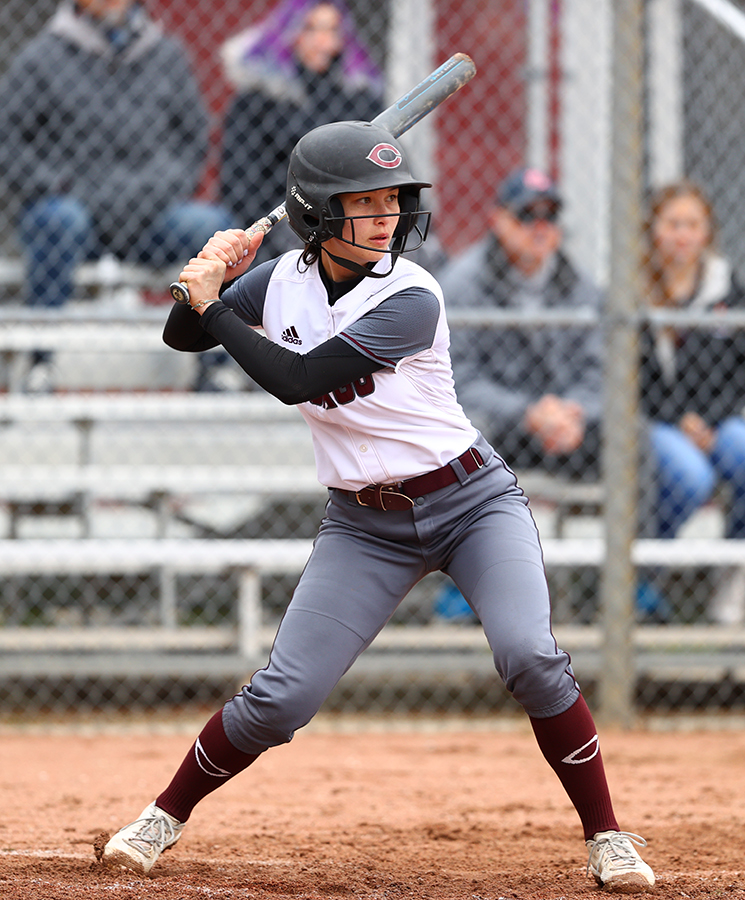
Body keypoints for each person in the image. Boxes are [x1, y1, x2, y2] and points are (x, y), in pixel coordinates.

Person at [99, 121, 654, 892]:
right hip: (365, 524)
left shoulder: (412, 295)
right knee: (279, 701)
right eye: (364, 203)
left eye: (392, 200)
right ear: (318, 214)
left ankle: (609, 837)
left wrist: (216, 305)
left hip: (470, 501)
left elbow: (300, 380)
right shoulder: (282, 281)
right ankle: (162, 816)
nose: (388, 216)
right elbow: (181, 338)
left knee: (529, 656)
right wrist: (214, 277)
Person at [0, 0, 231, 391]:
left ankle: (215, 366)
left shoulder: (166, 55)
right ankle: (42, 364)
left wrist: (155, 190)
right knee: (57, 218)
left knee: (214, 229)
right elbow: (9, 144)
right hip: (77, 218)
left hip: (148, 218)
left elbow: (193, 141)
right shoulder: (42, 57)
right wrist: (59, 185)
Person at [441, 167, 605, 483]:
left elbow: (599, 371)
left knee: (631, 433)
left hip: (567, 426)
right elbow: (458, 379)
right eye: (527, 215)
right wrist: (527, 413)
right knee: (466, 434)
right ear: (498, 220)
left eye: (551, 216)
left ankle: (633, 534)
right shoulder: (461, 285)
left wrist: (569, 412)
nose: (540, 228)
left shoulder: (581, 286)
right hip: (501, 425)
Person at [218, 0, 384, 260]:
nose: (323, 41)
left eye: (332, 31)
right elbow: (238, 184)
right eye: (311, 29)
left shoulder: (360, 99)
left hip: (351, 216)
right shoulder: (258, 100)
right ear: (290, 33)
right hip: (276, 217)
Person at [638, 181, 745, 540]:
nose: (682, 234)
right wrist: (679, 420)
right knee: (692, 478)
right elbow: (634, 378)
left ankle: (731, 574)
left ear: (707, 232)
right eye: (673, 224)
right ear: (654, 229)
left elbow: (744, 369)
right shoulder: (634, 288)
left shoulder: (725, 288)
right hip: (656, 420)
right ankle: (644, 573)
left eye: (692, 224)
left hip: (714, 419)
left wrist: (711, 420)